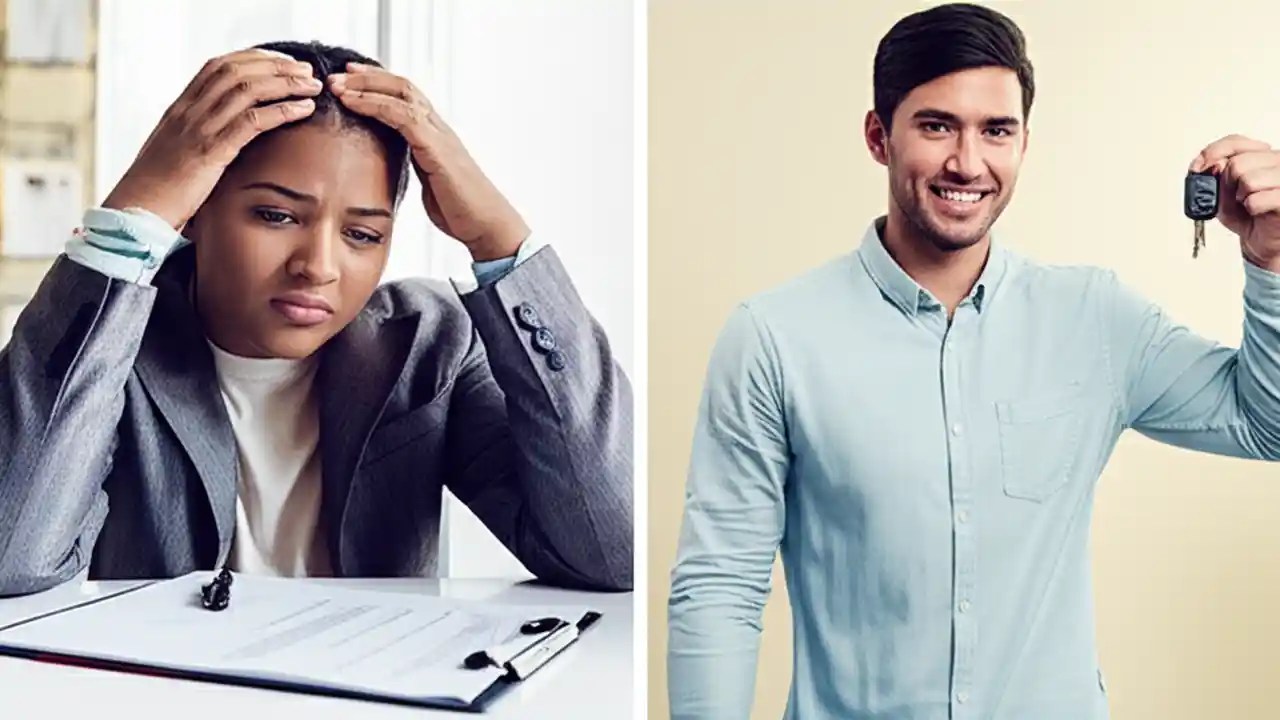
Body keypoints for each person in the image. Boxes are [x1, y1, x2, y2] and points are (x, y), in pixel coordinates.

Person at [666, 3, 1280, 718]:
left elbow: (1265, 426)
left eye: (996, 131)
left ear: (1024, 143)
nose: (968, 162)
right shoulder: (773, 338)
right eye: (936, 125)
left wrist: (1268, 261)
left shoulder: (1095, 317)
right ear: (878, 137)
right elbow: (719, 586)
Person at [0, 41, 632, 596]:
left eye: (362, 233)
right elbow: (13, 560)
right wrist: (137, 209)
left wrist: (499, 240)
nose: (319, 266)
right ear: (193, 208)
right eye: (276, 216)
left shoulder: (429, 343)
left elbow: (613, 550)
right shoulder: (114, 345)